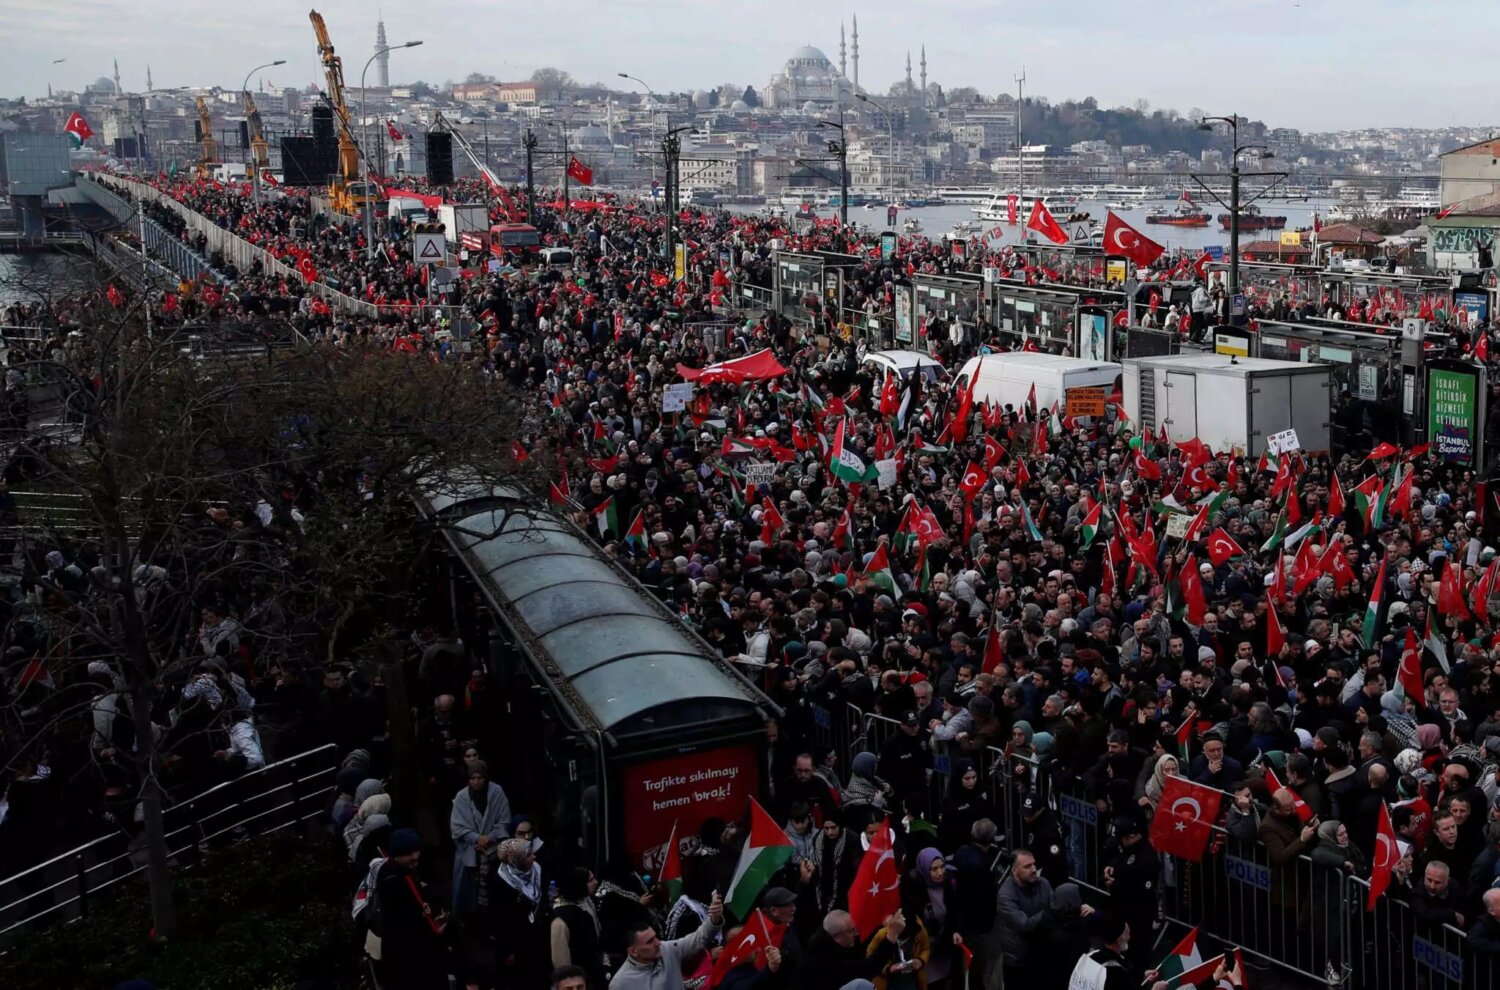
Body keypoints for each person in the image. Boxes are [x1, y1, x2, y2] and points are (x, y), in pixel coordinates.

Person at [374, 828, 448, 990]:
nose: (415, 856)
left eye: (416, 851)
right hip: (409, 953)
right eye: (409, 853)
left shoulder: (402, 871)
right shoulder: (393, 879)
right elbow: (405, 917)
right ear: (396, 855)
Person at [610, 890, 724, 989]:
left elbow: (699, 938)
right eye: (649, 942)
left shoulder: (668, 949)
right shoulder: (620, 984)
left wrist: (714, 919)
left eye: (655, 937)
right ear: (633, 951)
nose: (658, 943)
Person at [450, 759, 511, 915]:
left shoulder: (496, 792)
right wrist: (477, 838)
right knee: (468, 895)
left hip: (493, 849)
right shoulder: (462, 797)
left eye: (480, 778)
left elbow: (504, 821)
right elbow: (457, 828)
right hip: (469, 850)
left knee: (495, 895)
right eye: (473, 778)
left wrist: (489, 838)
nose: (476, 782)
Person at [492, 836, 552, 988]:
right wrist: (508, 951)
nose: (534, 857)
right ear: (516, 860)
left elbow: (544, 895)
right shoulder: (501, 882)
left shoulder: (537, 869)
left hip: (540, 936)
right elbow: (500, 921)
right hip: (518, 943)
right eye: (528, 855)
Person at [798, 908, 901, 990]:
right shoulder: (823, 957)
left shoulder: (830, 933)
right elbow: (866, 970)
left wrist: (880, 924)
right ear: (836, 936)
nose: (856, 933)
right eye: (851, 931)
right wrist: (891, 936)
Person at [997, 849, 1054, 989]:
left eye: (1034, 864)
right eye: (1027, 866)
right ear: (1014, 871)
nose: (1034, 869)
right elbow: (1025, 925)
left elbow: (1055, 909)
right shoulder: (1006, 895)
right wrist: (1048, 912)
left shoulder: (1043, 884)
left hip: (1043, 955)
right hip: (1018, 962)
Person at [551, 867, 606, 989]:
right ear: (578, 884)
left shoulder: (587, 900)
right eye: (590, 880)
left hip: (595, 971)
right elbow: (561, 961)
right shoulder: (561, 919)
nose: (595, 882)